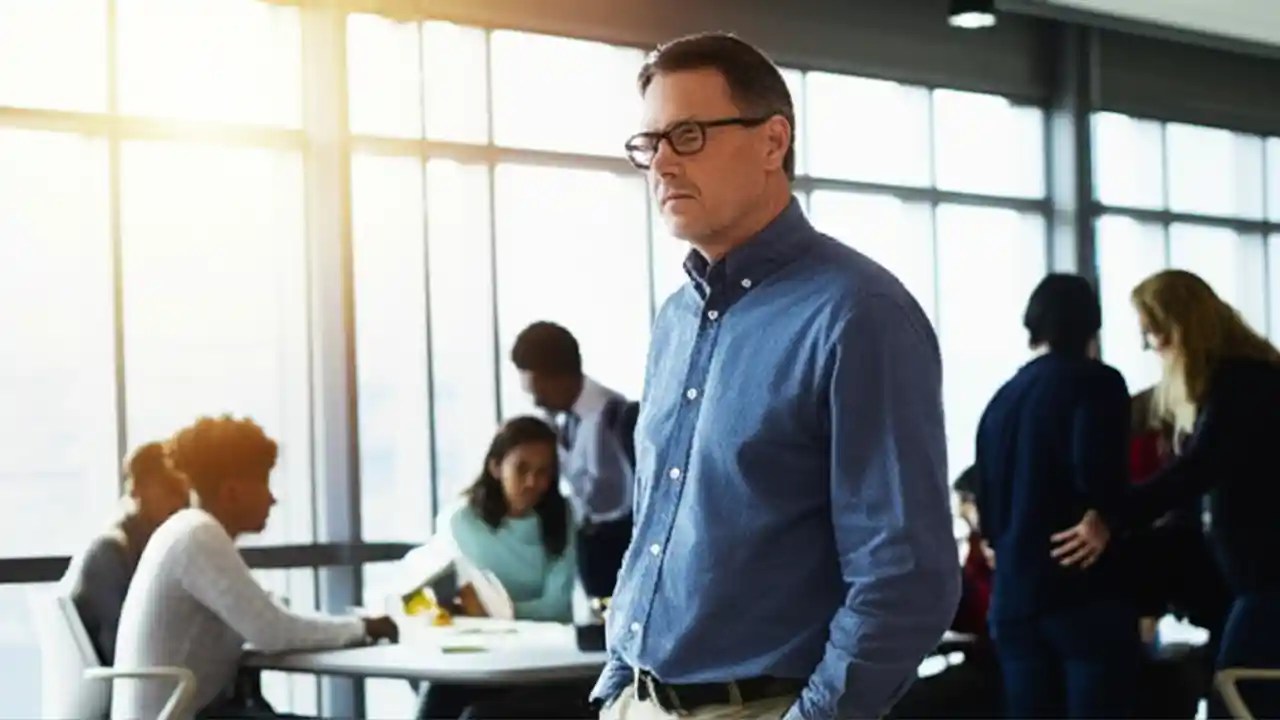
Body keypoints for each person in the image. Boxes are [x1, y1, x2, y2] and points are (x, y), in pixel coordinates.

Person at [592, 33, 959, 720]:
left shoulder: (858, 314)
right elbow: (660, 524)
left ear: (772, 142)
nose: (663, 162)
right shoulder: (677, 318)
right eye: (650, 144)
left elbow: (906, 578)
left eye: (689, 135)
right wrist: (619, 684)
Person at [1052, 269, 1280, 718]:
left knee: (1236, 701)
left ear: (1180, 327)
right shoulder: (1242, 383)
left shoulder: (1243, 384)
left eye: (1151, 333)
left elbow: (1196, 472)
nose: (1149, 347)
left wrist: (1113, 516)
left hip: (1267, 585)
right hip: (1253, 584)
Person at [111, 416, 398, 720]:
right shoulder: (199, 535)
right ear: (232, 492)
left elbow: (267, 619)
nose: (273, 499)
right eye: (264, 483)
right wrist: (363, 628)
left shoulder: (186, 531)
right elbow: (273, 632)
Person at [974, 274, 1139, 718]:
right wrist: (1109, 514)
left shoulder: (1002, 400)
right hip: (1082, 590)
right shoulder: (1098, 383)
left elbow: (982, 496)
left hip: (1012, 598)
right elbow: (1097, 473)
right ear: (1092, 324)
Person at [416, 417, 592, 720]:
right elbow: (453, 592)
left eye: (543, 472)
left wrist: (492, 610)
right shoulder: (461, 521)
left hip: (544, 660)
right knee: (439, 693)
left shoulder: (561, 516)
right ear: (496, 467)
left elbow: (555, 607)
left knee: (482, 715)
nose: (532, 483)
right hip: (482, 655)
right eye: (522, 469)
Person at [511, 321, 635, 599]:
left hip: (622, 549)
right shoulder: (559, 418)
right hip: (586, 548)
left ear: (562, 378)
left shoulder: (617, 417)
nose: (536, 403)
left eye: (538, 392)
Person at [62, 441, 190, 665]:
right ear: (137, 489)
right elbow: (124, 648)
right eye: (171, 488)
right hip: (128, 683)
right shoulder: (110, 553)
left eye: (185, 492)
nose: (181, 501)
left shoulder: (150, 548)